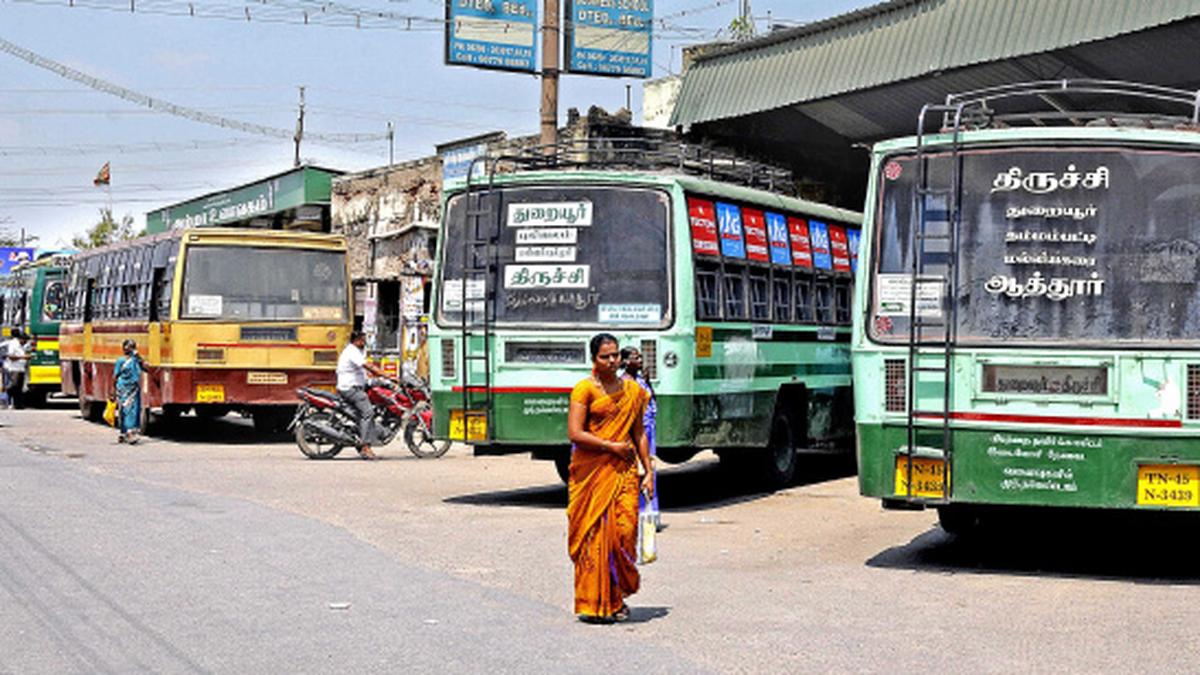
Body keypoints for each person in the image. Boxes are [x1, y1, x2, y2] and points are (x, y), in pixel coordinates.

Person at [566, 333, 654, 624]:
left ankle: (615, 596)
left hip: (625, 471)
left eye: (616, 354)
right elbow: (575, 433)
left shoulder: (632, 391)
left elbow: (639, 431)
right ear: (594, 359)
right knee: (594, 536)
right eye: (606, 356)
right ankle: (596, 604)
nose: (613, 360)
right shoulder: (584, 390)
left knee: (624, 532)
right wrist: (610, 446)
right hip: (592, 472)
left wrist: (649, 471)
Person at [621, 346, 660, 530]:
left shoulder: (641, 380)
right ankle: (636, 513)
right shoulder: (624, 383)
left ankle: (651, 513)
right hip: (637, 431)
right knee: (637, 471)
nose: (640, 361)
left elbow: (652, 399)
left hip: (649, 428)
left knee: (650, 469)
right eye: (636, 358)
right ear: (626, 361)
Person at [336, 330, 388, 460]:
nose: (365, 342)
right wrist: (385, 374)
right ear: (357, 340)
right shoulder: (352, 351)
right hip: (350, 389)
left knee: (365, 411)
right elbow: (368, 366)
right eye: (363, 340)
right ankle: (365, 447)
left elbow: (364, 374)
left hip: (355, 387)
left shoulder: (356, 352)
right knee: (368, 413)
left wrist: (380, 382)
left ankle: (362, 440)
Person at [112, 339, 144, 444]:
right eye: (129, 346)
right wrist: (112, 391)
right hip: (123, 389)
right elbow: (115, 376)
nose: (130, 349)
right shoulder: (121, 361)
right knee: (126, 411)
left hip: (134, 388)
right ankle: (129, 433)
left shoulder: (135, 360)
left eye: (132, 347)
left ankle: (123, 433)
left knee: (134, 410)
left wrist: (139, 357)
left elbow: (146, 368)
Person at [3, 329, 31, 409]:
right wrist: (23, 357)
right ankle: (6, 401)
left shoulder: (21, 346)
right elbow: (11, 357)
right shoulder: (13, 344)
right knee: (13, 386)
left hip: (20, 368)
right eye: (25, 340)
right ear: (21, 339)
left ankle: (18, 405)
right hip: (13, 369)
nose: (25, 342)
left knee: (19, 389)